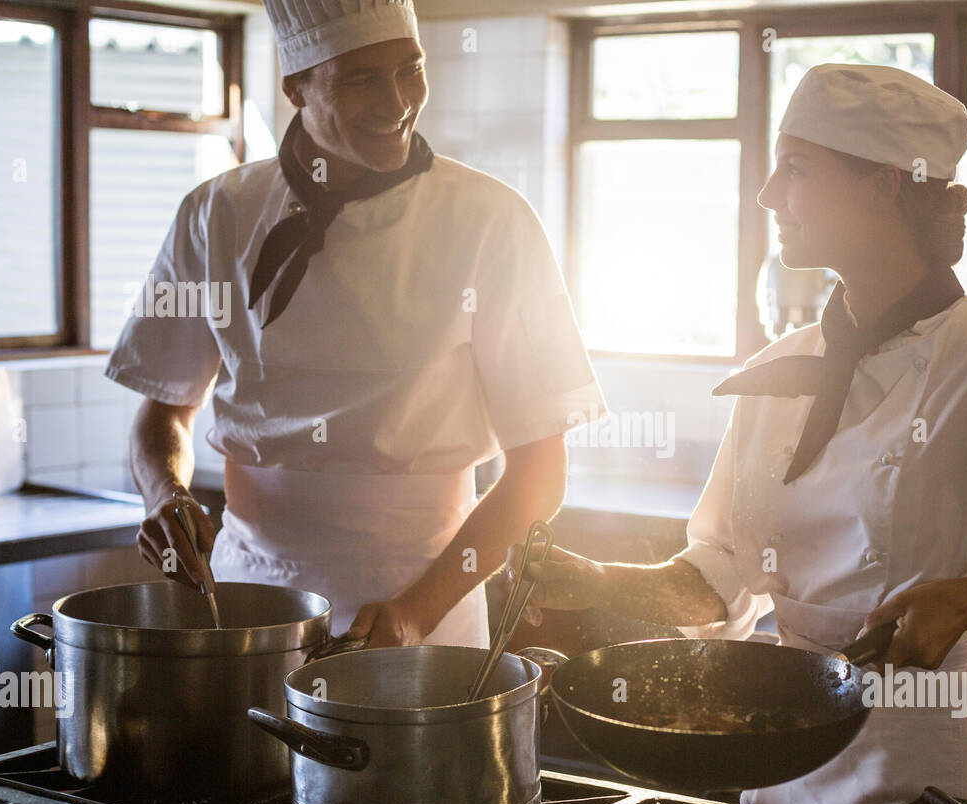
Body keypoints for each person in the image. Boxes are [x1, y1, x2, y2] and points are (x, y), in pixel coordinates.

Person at [516, 64, 967, 804]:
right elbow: (719, 578)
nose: (768, 194)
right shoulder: (777, 372)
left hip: (932, 769)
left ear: (883, 185)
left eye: (796, 169)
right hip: (784, 755)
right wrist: (596, 579)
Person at [106, 0, 603, 646]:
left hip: (427, 598)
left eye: (410, 70)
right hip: (249, 598)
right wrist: (164, 493)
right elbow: (163, 412)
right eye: (361, 78)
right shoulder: (215, 216)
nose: (397, 101)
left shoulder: (491, 223)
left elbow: (540, 474)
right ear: (295, 88)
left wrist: (416, 611)